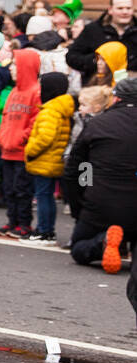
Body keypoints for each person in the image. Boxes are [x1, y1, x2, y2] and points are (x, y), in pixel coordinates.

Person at [65, 76, 137, 274]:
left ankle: (102, 241)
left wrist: (80, 207)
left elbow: (76, 170)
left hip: (100, 205)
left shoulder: (98, 124)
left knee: (79, 248)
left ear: (116, 98)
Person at [0, 48, 41, 238]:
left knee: (22, 189)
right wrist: (3, 137)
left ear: (26, 67)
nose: (11, 68)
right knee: (9, 189)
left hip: (22, 151)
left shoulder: (36, 92)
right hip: (7, 149)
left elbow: (35, 121)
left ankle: (24, 223)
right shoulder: (14, 91)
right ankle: (12, 221)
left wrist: (21, 138)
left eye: (15, 64)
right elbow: (6, 118)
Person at [23, 72, 73, 244]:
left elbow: (45, 137)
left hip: (44, 159)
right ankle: (47, 230)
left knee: (43, 196)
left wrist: (30, 151)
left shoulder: (50, 110)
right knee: (48, 196)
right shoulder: (63, 107)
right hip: (55, 158)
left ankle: (44, 231)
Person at [67, 0, 137, 77]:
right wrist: (97, 60)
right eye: (120, 8)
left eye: (128, 8)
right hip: (98, 82)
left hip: (132, 82)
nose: (125, 12)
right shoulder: (92, 30)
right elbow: (72, 57)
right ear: (110, 10)